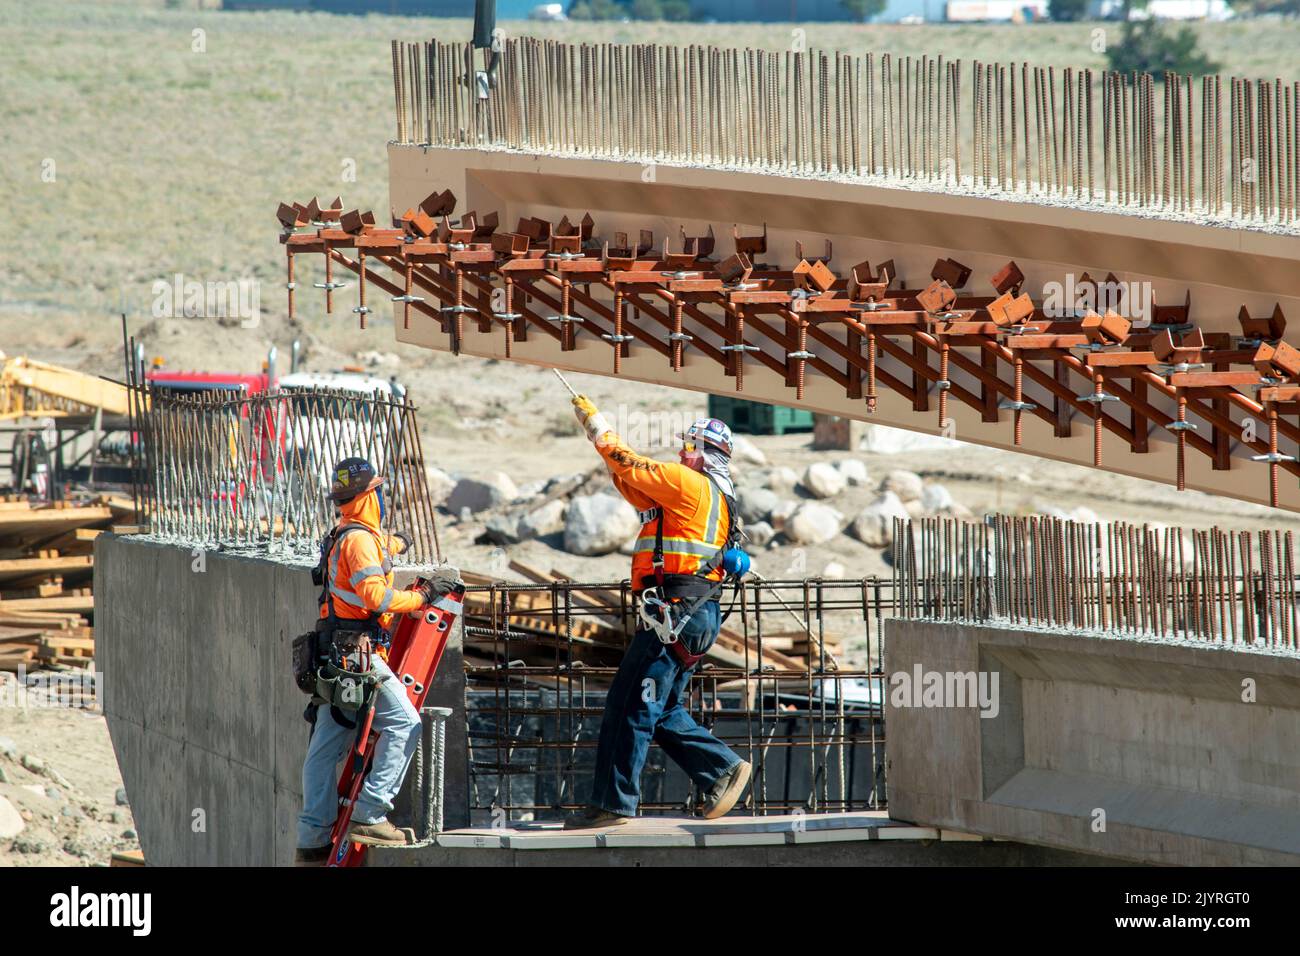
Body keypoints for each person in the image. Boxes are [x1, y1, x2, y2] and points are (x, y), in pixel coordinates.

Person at [565, 397, 752, 829]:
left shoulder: (689, 483)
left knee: (631, 704)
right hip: (694, 615)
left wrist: (597, 426)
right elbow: (629, 480)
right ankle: (721, 770)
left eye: (688, 446)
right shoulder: (719, 498)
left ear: (704, 452)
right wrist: (605, 449)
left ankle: (613, 804)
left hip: (676, 613)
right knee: (661, 707)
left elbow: (629, 463)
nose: (681, 453)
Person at [295, 457, 456, 865]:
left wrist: (397, 543)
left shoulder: (345, 533)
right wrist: (423, 598)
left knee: (325, 746)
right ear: (369, 495)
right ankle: (369, 813)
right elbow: (377, 597)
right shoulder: (359, 540)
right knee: (405, 723)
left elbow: (371, 552)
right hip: (357, 654)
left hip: (333, 653)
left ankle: (312, 839)